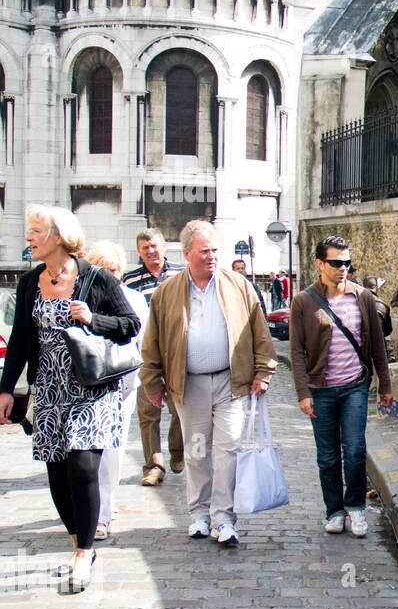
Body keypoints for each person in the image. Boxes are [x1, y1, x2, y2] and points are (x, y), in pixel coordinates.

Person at [0, 206, 140, 590]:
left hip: (91, 389)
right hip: (48, 388)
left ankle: (83, 553)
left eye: (36, 231)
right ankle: (78, 541)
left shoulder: (94, 278)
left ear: (59, 236)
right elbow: (19, 343)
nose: (29, 237)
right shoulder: (30, 283)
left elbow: (130, 325)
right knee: (57, 473)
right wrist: (8, 389)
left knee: (82, 466)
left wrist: (95, 319)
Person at [139, 220, 276, 547]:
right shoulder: (168, 292)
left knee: (228, 449)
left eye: (215, 250)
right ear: (187, 253)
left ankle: (224, 517)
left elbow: (259, 330)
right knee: (197, 451)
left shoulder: (238, 286)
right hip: (190, 385)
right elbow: (152, 341)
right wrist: (152, 381)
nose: (212, 256)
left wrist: (264, 370)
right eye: (204, 251)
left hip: (231, 383)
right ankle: (199, 514)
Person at [290, 236, 394, 537]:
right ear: (320, 264)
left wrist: (384, 384)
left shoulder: (362, 296)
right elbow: (296, 351)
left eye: (347, 262)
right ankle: (334, 511)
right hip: (320, 389)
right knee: (328, 456)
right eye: (336, 263)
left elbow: (376, 344)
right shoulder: (304, 301)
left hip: (354, 387)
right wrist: (302, 392)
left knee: (356, 450)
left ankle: (356, 508)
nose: (343, 268)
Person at [85, 242, 151, 542]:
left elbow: (144, 343)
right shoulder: (82, 297)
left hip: (122, 382)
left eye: (115, 270)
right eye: (104, 270)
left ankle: (105, 503)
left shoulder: (135, 300)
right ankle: (95, 508)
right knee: (89, 449)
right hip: (87, 383)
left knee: (113, 446)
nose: (110, 276)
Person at [123, 227, 185, 486]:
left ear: (163, 246)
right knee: (148, 412)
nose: (151, 252)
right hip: (144, 355)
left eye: (154, 246)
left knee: (180, 408)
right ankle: (153, 464)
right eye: (145, 248)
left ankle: (178, 453)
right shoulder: (130, 279)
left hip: (175, 353)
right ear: (139, 251)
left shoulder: (180, 274)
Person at [362, 276, 395, 361]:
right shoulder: (383, 305)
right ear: (376, 287)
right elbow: (388, 330)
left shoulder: (356, 301)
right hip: (378, 344)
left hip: (360, 343)